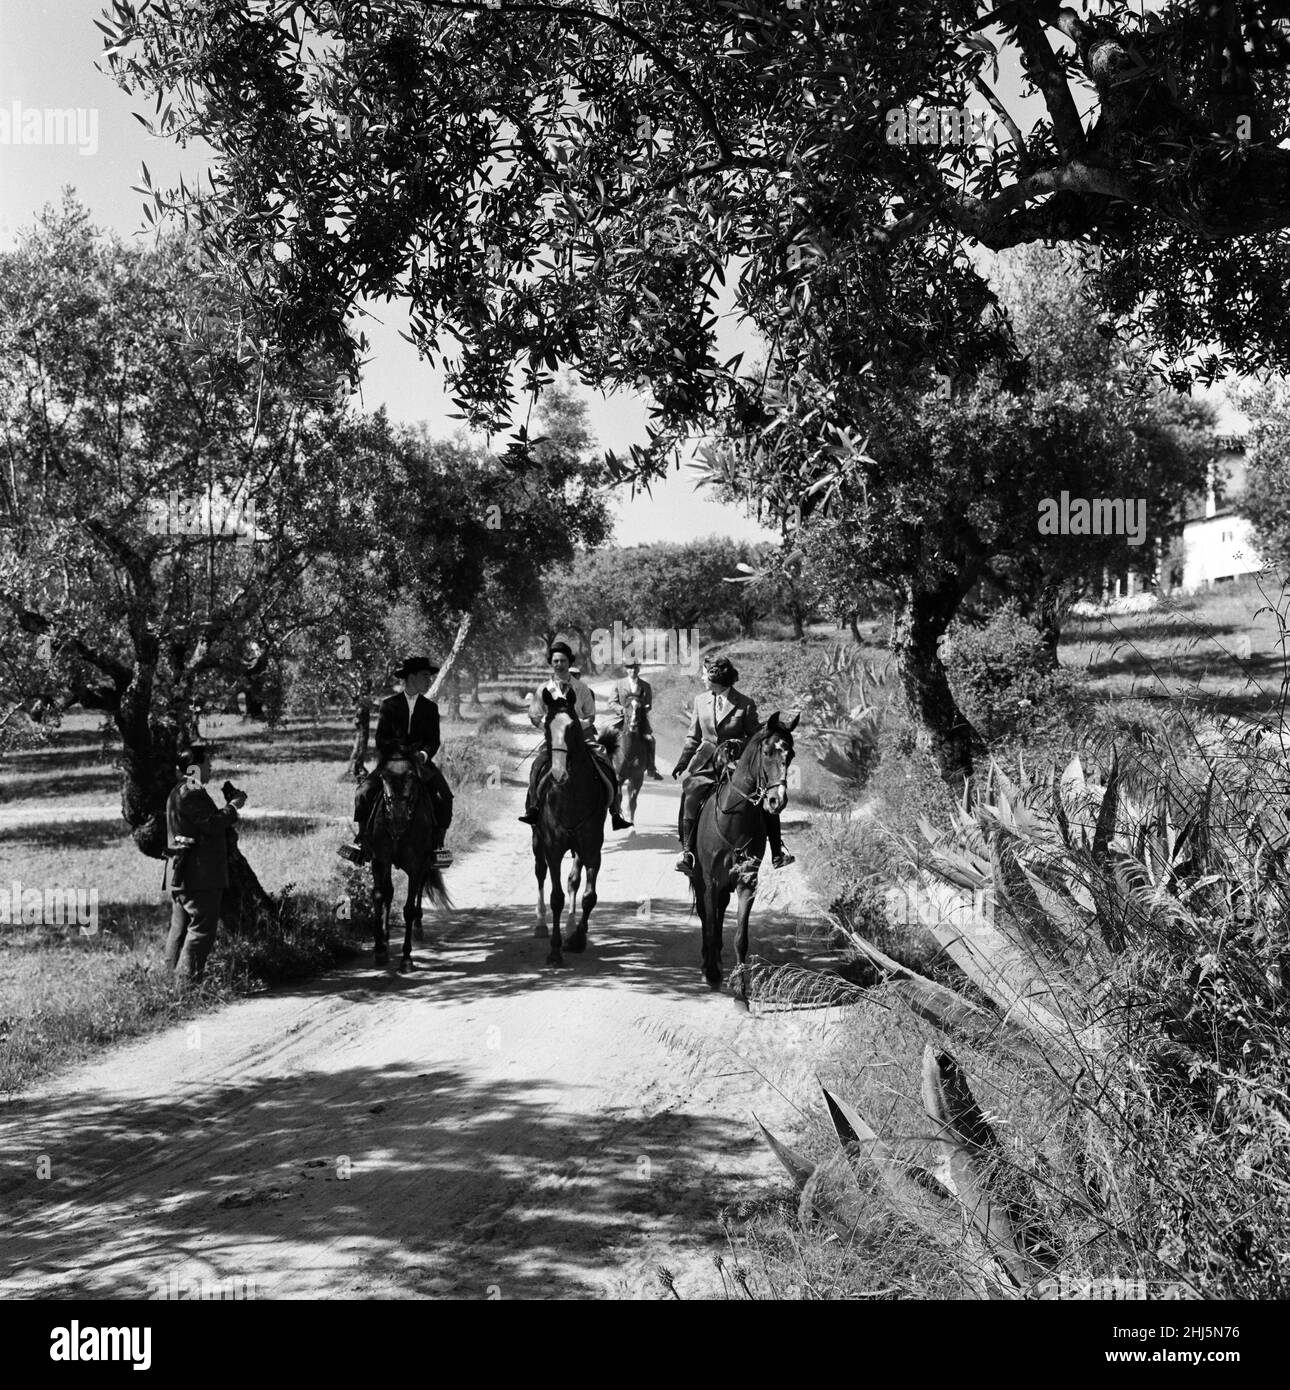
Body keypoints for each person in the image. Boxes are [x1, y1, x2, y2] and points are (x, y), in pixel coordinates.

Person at [672, 654, 795, 873]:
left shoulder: (745, 704)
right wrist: (683, 761)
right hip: (706, 761)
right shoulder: (701, 701)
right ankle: (687, 852)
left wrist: (737, 743)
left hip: (736, 763)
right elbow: (693, 737)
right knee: (690, 793)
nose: (702, 677)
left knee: (763, 797)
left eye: (704, 673)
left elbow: (754, 736)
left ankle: (777, 852)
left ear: (715, 677)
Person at [338, 655, 454, 866]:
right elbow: (381, 738)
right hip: (392, 762)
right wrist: (399, 751)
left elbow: (433, 741)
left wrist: (423, 755)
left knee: (445, 796)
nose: (429, 680)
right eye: (425, 676)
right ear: (411, 677)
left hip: (420, 763)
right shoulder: (388, 705)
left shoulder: (430, 708)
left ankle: (438, 845)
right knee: (362, 792)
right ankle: (362, 842)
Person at [519, 641, 632, 830]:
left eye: (562, 660)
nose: (559, 664)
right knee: (538, 764)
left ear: (568, 662)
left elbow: (591, 715)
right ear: (551, 663)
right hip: (554, 739)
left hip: (581, 737)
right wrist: (547, 729)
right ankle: (533, 807)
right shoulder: (543, 690)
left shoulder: (582, 688)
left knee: (604, 760)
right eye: (555, 661)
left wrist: (579, 726)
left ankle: (615, 811)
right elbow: (534, 715)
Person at [164, 738, 245, 986]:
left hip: (183, 874)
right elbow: (210, 825)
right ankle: (186, 988)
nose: (210, 769)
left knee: (178, 931)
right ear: (195, 768)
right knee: (201, 931)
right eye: (207, 765)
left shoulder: (181, 790)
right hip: (199, 875)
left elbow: (200, 824)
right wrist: (233, 807)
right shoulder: (192, 793)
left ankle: (169, 983)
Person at [606, 659, 663, 779]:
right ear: (626, 669)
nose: (633, 670)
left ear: (639, 669)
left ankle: (651, 767)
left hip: (639, 719)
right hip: (621, 719)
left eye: (635, 668)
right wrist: (622, 710)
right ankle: (607, 766)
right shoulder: (619, 684)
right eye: (630, 668)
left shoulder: (645, 686)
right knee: (609, 736)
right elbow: (612, 702)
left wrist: (640, 710)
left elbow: (649, 704)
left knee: (650, 739)